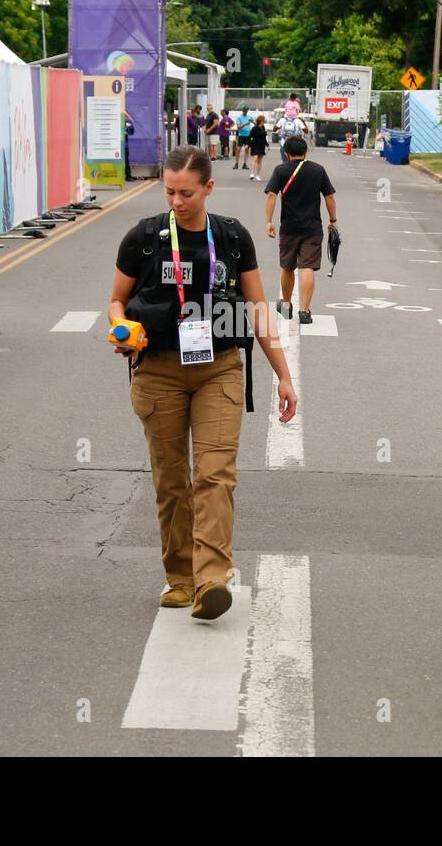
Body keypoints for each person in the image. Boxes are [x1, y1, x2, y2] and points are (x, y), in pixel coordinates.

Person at [109, 146, 298, 620]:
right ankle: (181, 578)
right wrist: (120, 328)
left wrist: (284, 375)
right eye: (169, 191)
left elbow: (257, 310)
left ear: (209, 188)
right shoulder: (145, 238)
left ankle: (212, 578)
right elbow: (116, 300)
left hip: (219, 368)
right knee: (171, 478)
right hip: (158, 372)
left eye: (186, 192)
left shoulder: (233, 239)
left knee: (215, 473)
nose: (176, 200)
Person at [264, 136, 338, 325]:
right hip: (312, 228)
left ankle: (287, 304)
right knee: (307, 268)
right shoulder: (318, 170)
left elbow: (271, 195)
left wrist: (269, 221)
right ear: (306, 152)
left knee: (287, 267)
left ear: (287, 153)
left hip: (289, 228)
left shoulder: (280, 170)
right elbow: (329, 197)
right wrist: (333, 220)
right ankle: (304, 310)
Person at [247, 115, 268, 182]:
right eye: (264, 120)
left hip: (261, 146)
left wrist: (267, 145)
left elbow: (264, 137)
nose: (264, 121)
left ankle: (258, 175)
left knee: (260, 160)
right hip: (255, 145)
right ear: (261, 121)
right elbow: (249, 136)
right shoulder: (254, 128)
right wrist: (247, 144)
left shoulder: (263, 127)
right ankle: (252, 173)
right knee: (255, 159)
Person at [234, 106, 254, 170]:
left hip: (248, 136)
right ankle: (236, 163)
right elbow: (238, 127)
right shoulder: (239, 118)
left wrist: (253, 129)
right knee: (238, 150)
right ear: (242, 110)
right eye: (244, 110)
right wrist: (245, 124)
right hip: (241, 135)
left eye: (246, 110)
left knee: (247, 150)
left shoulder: (249, 117)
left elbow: (256, 124)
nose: (245, 111)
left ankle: (245, 164)